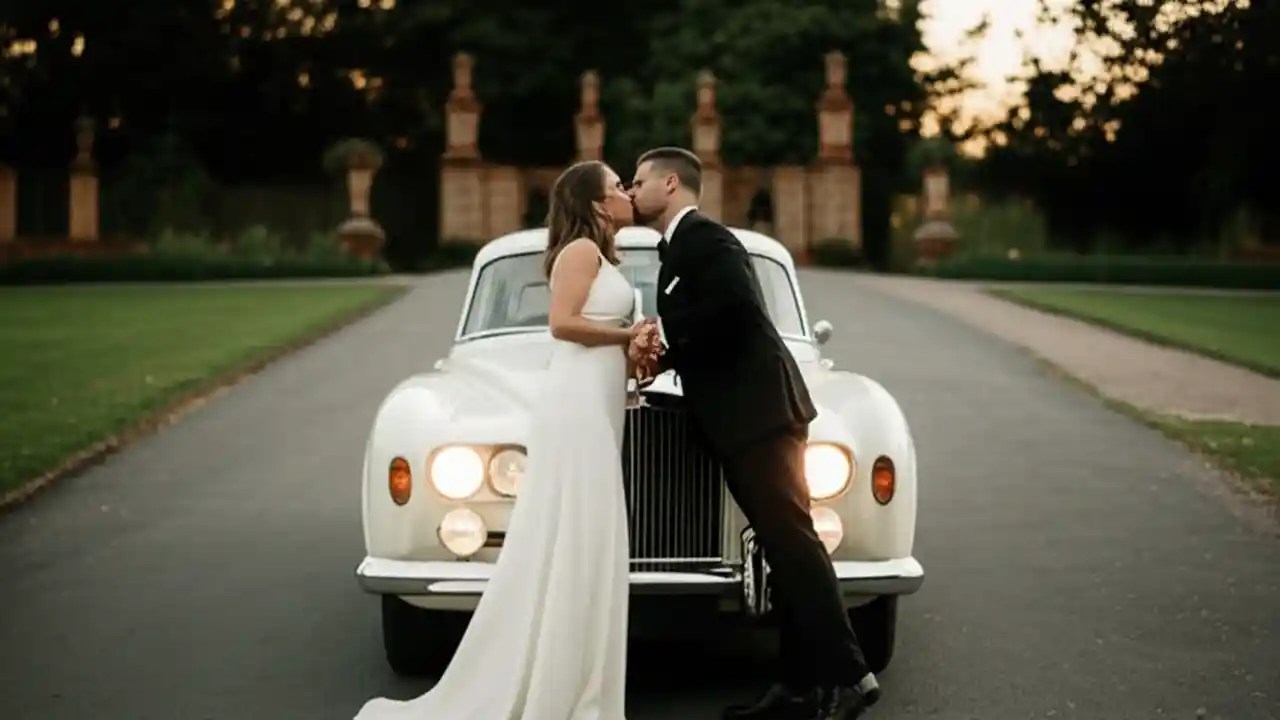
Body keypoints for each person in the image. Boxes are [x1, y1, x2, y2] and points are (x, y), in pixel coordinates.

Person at [354, 160, 656, 720]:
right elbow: (562, 324)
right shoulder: (581, 253)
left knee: (588, 539)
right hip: (576, 407)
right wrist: (628, 334)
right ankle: (563, 690)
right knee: (576, 533)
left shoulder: (606, 255)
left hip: (598, 403)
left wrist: (636, 352)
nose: (625, 192)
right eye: (615, 186)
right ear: (593, 204)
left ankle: (580, 681)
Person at [627, 146, 881, 720]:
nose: (631, 189)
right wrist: (663, 355)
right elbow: (715, 327)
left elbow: (737, 309)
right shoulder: (680, 247)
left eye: (637, 181)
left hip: (761, 416)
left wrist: (664, 339)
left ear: (670, 184)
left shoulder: (707, 239)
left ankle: (851, 675)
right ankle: (796, 688)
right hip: (744, 418)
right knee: (779, 548)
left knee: (793, 544)